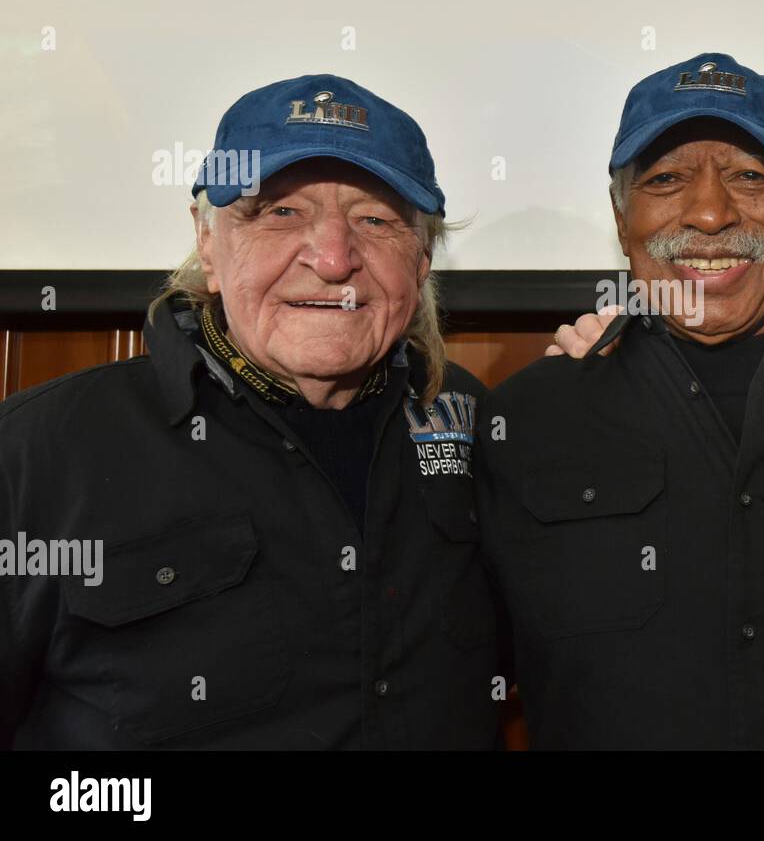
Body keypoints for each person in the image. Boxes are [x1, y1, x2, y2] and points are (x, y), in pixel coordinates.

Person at [0, 74, 505, 748]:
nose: (332, 258)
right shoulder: (38, 452)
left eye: (375, 219)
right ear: (208, 242)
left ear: (419, 264)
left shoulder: (477, 423)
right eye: (280, 212)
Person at [477, 54, 764, 748]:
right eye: (665, 179)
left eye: (750, 176)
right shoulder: (521, 422)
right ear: (622, 220)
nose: (711, 212)